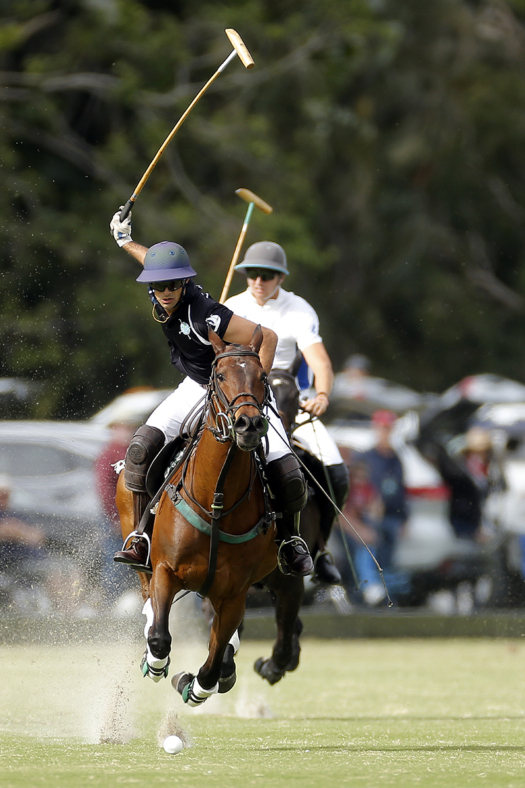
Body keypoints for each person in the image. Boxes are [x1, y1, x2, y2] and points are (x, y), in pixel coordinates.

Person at [108, 210, 313, 576]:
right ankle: (141, 537)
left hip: (236, 392)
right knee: (139, 450)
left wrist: (256, 383)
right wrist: (125, 241)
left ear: (184, 283)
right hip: (195, 387)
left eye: (172, 285)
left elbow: (267, 337)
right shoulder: (159, 294)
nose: (165, 292)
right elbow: (153, 262)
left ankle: (289, 541)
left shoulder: (209, 316)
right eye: (158, 286)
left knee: (288, 471)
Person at [224, 240, 349, 584]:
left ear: (280, 277)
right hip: (241, 399)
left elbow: (320, 361)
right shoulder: (230, 306)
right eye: (252, 274)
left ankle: (319, 547)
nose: (258, 282)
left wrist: (322, 394)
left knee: (336, 473)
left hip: (289, 401)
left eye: (267, 275)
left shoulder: (299, 310)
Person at [357, 410, 410, 605]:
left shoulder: (396, 459)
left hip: (392, 516)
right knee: (370, 552)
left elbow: (401, 490)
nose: (385, 432)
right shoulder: (367, 458)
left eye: (388, 428)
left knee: (388, 560)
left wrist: (405, 518)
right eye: (382, 428)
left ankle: (387, 598)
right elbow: (361, 487)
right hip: (371, 516)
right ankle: (370, 591)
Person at [94, 420, 137, 602]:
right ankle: (109, 603)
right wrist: (115, 517)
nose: (127, 432)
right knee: (115, 565)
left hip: (133, 518)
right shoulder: (109, 455)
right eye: (123, 428)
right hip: (117, 520)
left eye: (129, 428)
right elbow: (105, 490)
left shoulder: (130, 452)